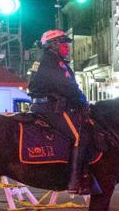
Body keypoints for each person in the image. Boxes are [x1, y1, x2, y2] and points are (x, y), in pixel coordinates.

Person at [27, 29, 93, 195]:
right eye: (64, 43)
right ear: (53, 45)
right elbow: (67, 86)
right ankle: (75, 180)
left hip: (43, 105)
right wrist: (83, 102)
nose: (67, 47)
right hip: (50, 107)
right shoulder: (53, 61)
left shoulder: (45, 59)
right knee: (80, 135)